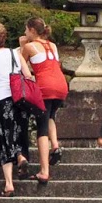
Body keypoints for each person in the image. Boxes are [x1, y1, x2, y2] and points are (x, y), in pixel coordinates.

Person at [0, 22, 44, 195]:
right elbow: (28, 75)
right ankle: (21, 156)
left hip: (2, 100)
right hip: (19, 99)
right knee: (20, 133)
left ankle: (9, 184)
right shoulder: (15, 53)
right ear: (4, 37)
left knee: (5, 139)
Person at [21, 17, 67, 167]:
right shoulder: (52, 45)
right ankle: (55, 145)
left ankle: (44, 169)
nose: (24, 32)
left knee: (42, 126)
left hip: (45, 87)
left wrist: (22, 45)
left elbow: (21, 65)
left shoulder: (30, 47)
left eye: (26, 29)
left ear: (32, 30)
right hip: (61, 85)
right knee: (50, 116)